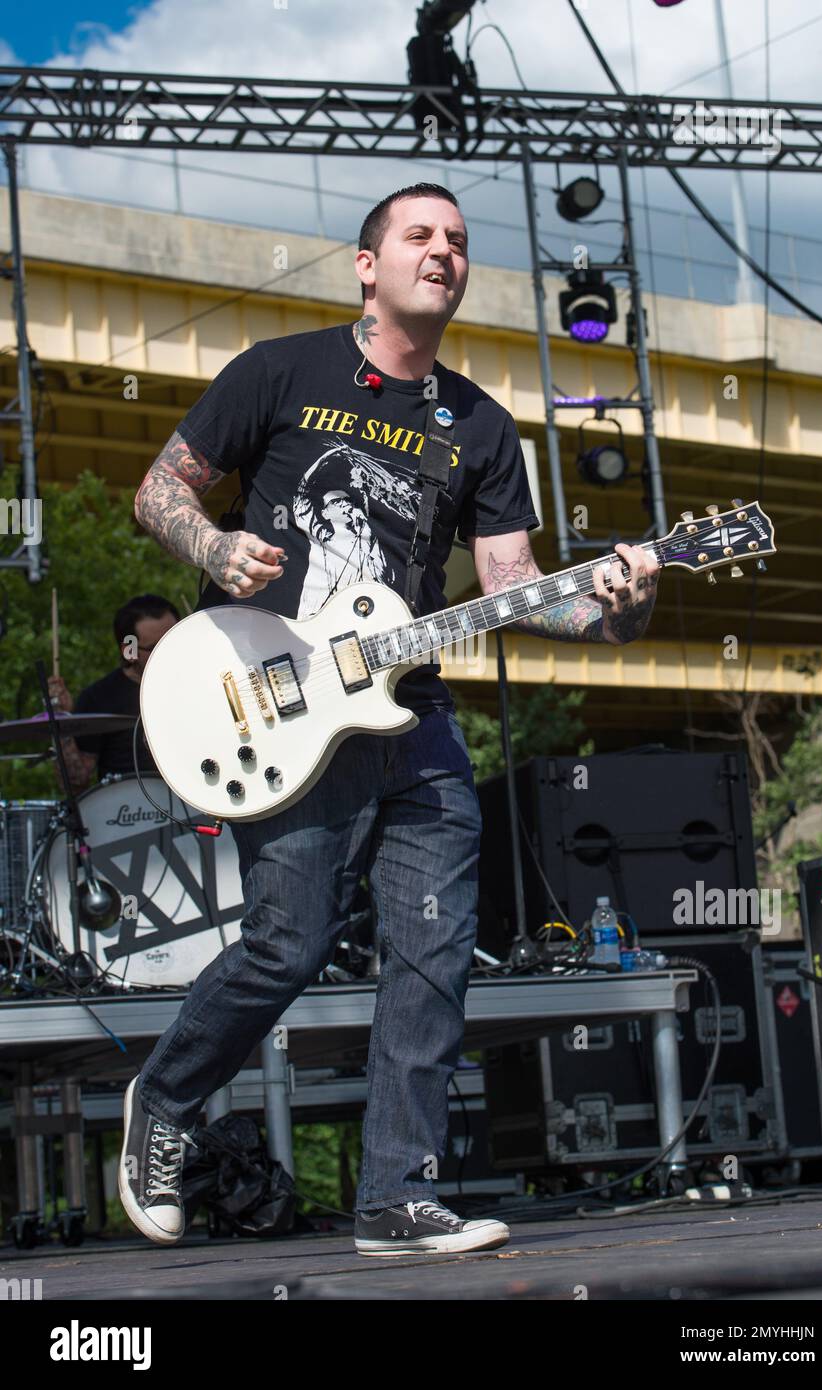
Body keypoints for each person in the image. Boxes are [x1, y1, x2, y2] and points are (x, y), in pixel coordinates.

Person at [119, 182, 660, 1256]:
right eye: (420, 235)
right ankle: (165, 1101)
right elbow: (159, 491)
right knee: (288, 942)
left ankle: (396, 1197)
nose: (443, 251)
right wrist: (215, 551)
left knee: (433, 949)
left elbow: (518, 587)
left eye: (458, 241)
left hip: (410, 713)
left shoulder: (482, 427)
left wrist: (616, 601)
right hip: (276, 701)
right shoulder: (281, 371)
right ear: (366, 264)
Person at [47, 595, 180, 792]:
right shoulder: (98, 697)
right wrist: (61, 719)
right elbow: (76, 781)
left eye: (173, 639)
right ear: (130, 651)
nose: (168, 651)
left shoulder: (199, 682)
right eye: (154, 647)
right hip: (127, 813)